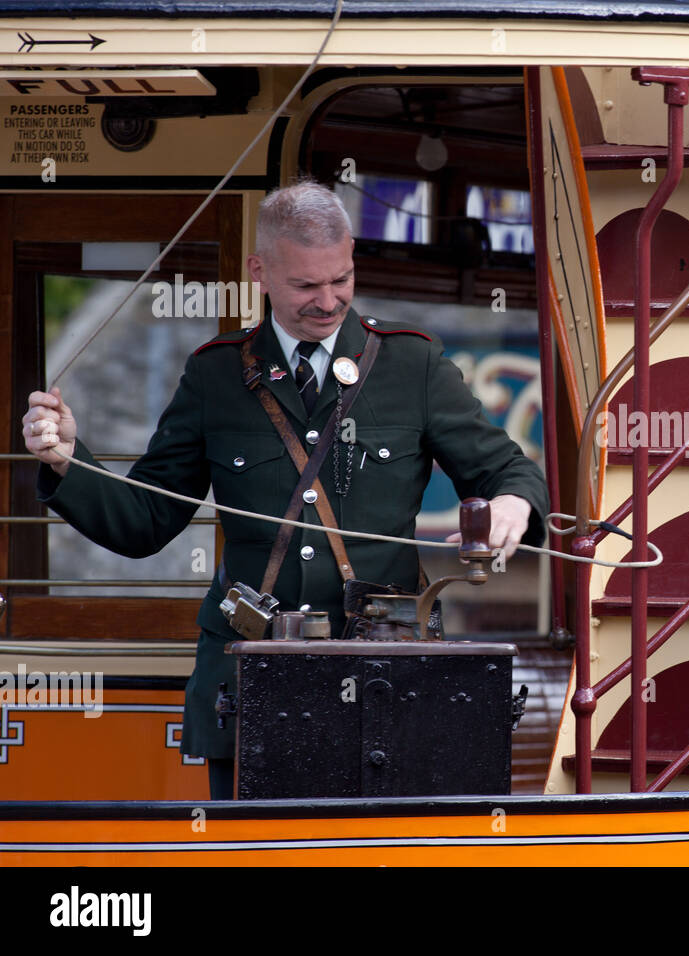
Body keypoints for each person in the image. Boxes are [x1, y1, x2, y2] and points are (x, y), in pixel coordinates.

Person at [22, 181, 548, 799]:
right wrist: (66, 463)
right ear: (260, 271)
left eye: (342, 279)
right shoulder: (216, 373)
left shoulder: (413, 365)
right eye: (306, 286)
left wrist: (514, 503)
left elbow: (509, 471)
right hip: (250, 684)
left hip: (384, 676)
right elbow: (143, 522)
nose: (329, 302)